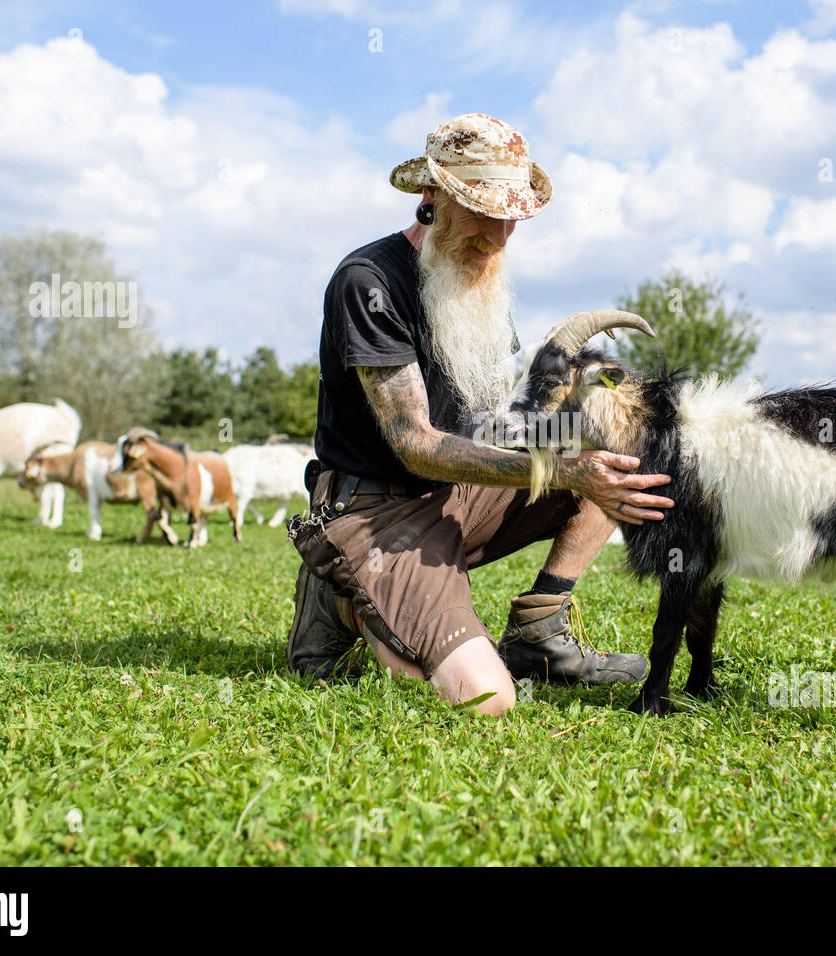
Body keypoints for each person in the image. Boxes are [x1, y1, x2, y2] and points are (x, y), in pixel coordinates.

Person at [287, 113, 674, 715]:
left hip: (457, 495)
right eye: (480, 212)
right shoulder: (368, 283)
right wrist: (566, 473)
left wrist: (582, 433)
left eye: (509, 217)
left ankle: (540, 629)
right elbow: (415, 443)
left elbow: (494, 422)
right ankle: (338, 591)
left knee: (613, 452)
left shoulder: (478, 281)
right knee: (486, 699)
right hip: (378, 509)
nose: (497, 238)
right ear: (432, 196)